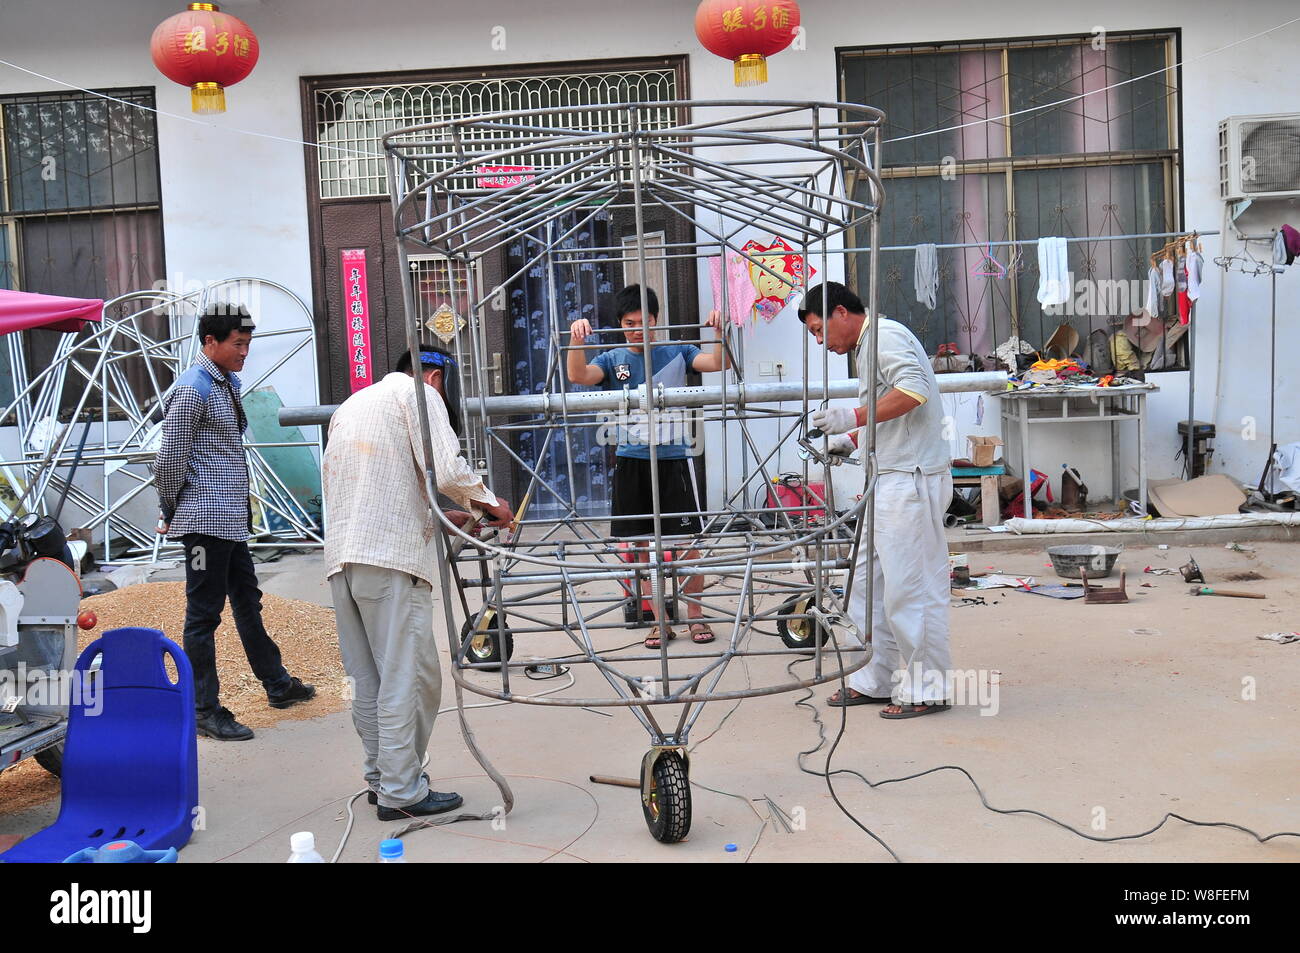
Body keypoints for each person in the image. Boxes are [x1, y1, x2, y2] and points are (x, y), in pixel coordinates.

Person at [323, 345, 514, 821]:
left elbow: (381, 486)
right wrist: (491, 503)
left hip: (344, 562)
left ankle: (381, 778)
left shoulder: (353, 406)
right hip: (390, 563)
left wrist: (449, 514)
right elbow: (449, 470)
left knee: (368, 680)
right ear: (434, 377)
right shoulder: (420, 394)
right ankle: (403, 792)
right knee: (412, 680)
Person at [155, 303, 316, 741]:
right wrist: (170, 511)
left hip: (227, 521)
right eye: (237, 344)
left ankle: (278, 685)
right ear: (210, 342)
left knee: (247, 601)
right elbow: (170, 459)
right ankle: (205, 710)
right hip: (204, 522)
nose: (244, 352)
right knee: (203, 617)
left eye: (247, 344)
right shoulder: (193, 389)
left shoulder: (223, 381)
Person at [796, 282, 954, 719]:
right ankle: (876, 676)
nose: (820, 341)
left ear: (841, 313)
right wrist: (852, 438)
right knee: (865, 584)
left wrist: (854, 416)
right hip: (887, 477)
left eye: (817, 330)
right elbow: (892, 410)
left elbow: (915, 390)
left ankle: (929, 688)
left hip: (911, 479)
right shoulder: (868, 346)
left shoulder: (885, 336)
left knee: (912, 588)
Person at [567, 285, 727, 649]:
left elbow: (718, 363)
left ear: (657, 320)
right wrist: (577, 340)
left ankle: (696, 616)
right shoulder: (612, 359)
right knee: (639, 544)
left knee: (686, 543)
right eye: (630, 323)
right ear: (621, 325)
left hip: (673, 460)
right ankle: (660, 620)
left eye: (646, 321)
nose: (639, 329)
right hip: (631, 461)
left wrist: (719, 330)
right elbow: (579, 376)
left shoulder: (679, 351)